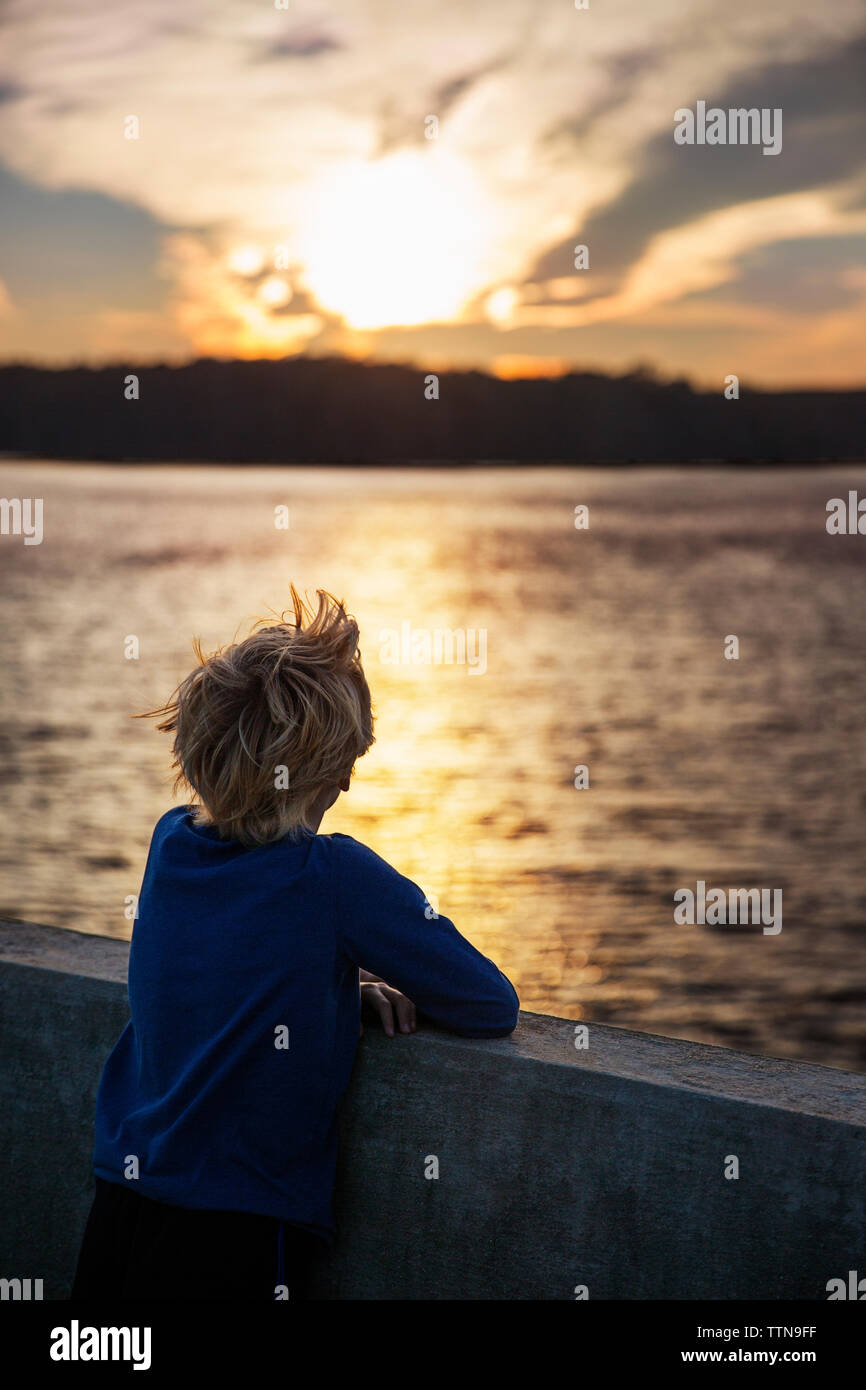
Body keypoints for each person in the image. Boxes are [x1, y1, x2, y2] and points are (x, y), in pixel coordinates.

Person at [71, 586, 519, 1300]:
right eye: (346, 761)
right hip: (234, 1229)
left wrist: (332, 981)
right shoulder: (335, 876)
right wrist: (352, 970)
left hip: (122, 1197)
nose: (347, 780)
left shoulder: (169, 844)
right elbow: (491, 1003)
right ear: (322, 769)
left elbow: (234, 950)